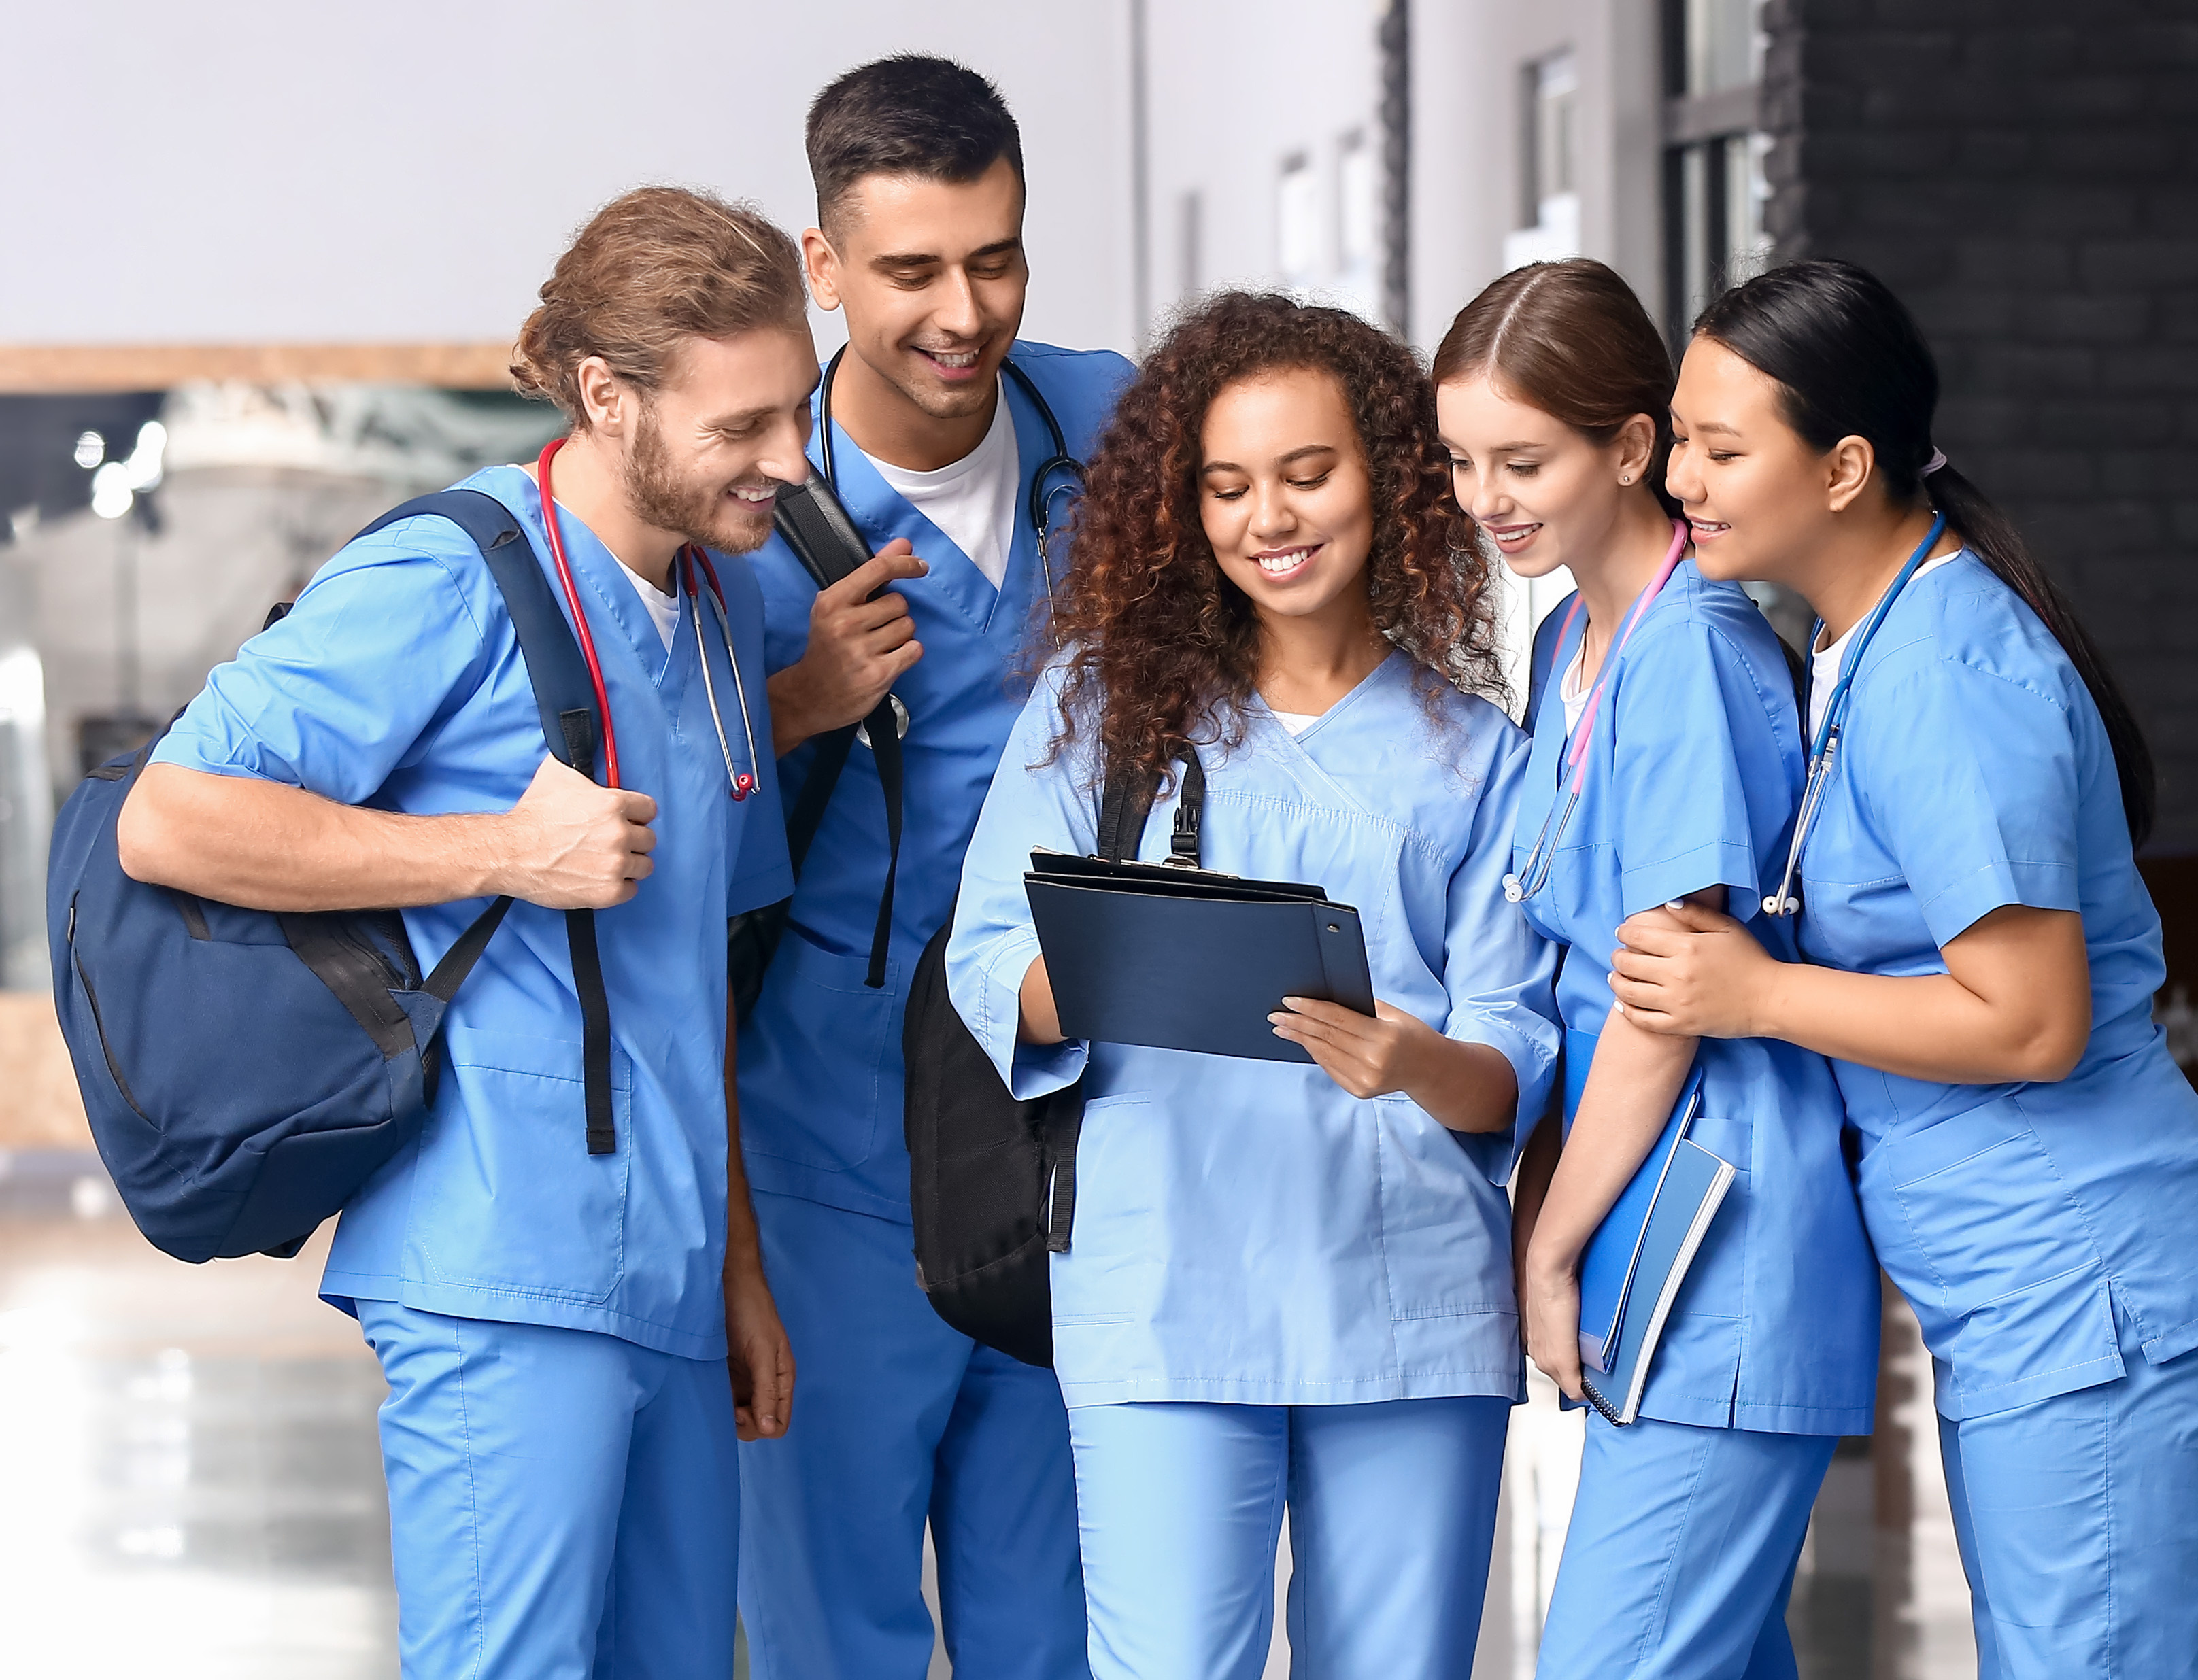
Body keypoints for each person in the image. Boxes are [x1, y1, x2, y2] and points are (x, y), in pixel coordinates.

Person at [114, 186, 811, 1679]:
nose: (790, 461)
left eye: (795, 409)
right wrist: (501, 847)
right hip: (500, 1266)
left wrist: (738, 1271)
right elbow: (168, 819)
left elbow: (698, 981)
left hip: (675, 1275)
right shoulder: (445, 576)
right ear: (608, 398)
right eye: (743, 425)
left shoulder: (721, 610)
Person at [1606, 258, 2198, 1680]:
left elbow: (2031, 1020)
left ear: (1844, 466)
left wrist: (1752, 993)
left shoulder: (1943, 669)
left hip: (2088, 1291)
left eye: (1721, 448)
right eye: (1679, 436)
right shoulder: (1863, 641)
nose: (1679, 476)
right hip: (2029, 1301)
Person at [944, 290, 1555, 1680]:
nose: (1267, 519)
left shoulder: (1478, 754)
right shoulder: (1097, 710)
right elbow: (985, 961)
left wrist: (1413, 1061)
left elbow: (1515, 1042)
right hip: (1163, 1285)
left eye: (1305, 474)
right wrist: (1106, 960)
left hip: (1401, 1297)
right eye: (1225, 486)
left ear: (1387, 483)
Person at [730, 56, 1134, 1680]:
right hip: (832, 1155)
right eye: (909, 272)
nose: (962, 313)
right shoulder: (741, 515)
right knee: (836, 1633)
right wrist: (794, 705)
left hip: (1073, 1142)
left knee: (1060, 1633)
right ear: (822, 269)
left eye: (996, 257)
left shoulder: (1112, 425)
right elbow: (637, 812)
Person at [1431, 259, 1874, 1680]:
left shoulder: (1688, 651)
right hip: (1640, 1214)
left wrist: (1547, 1248)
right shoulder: (1570, 633)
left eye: (1522, 460)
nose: (1484, 497)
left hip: (1717, 1240)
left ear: (1631, 448)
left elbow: (1661, 998)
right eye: (1457, 461)